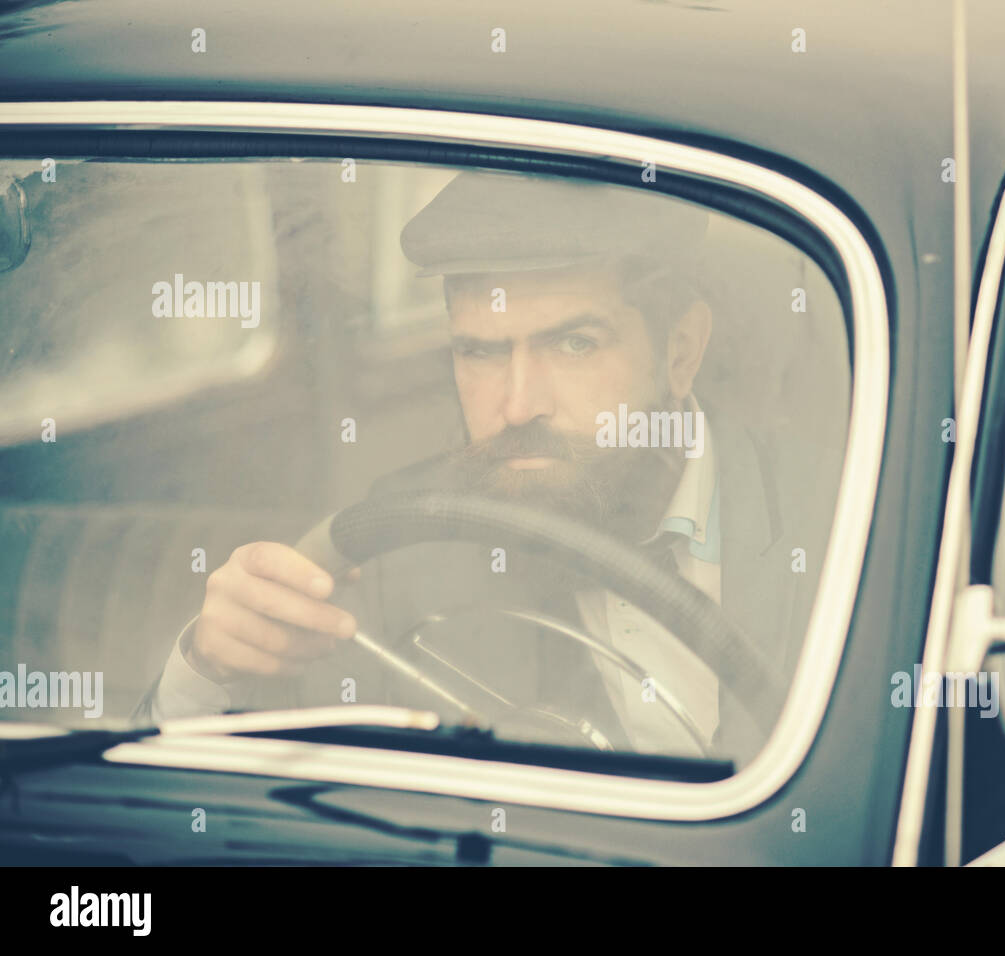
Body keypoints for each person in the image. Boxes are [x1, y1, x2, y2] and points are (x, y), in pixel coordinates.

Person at [139, 171, 814, 761]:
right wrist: (209, 667)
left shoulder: (836, 515)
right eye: (482, 352)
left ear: (680, 350)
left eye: (575, 344)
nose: (517, 407)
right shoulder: (399, 542)